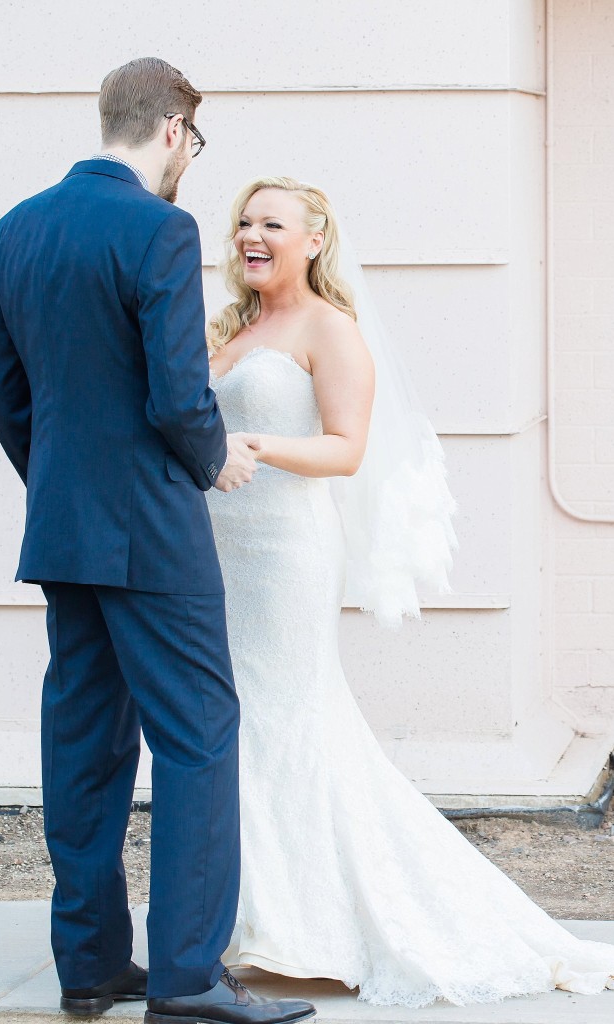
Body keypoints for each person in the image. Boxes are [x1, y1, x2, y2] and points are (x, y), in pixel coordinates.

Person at [205, 175, 614, 1007]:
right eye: (244, 221)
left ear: (314, 239)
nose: (252, 234)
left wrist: (255, 442)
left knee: (286, 720)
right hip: (223, 554)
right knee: (242, 730)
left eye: (271, 224)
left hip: (284, 555)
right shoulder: (236, 327)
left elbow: (345, 449)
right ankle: (268, 923)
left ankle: (319, 926)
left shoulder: (331, 328)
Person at [0, 59, 315, 1024]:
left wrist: (62, 486)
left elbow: (4, 395)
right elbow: (177, 394)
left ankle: (88, 968)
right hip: (154, 534)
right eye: (192, 144)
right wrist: (213, 460)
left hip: (63, 530)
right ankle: (187, 980)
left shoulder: (16, 229)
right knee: (199, 738)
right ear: (172, 129)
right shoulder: (159, 229)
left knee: (83, 749)